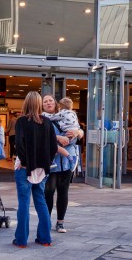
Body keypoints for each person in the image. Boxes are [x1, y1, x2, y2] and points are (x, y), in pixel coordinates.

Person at [13, 91, 59, 248]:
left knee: (24, 202)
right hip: (42, 169)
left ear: (26, 103)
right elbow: (54, 147)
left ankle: (21, 240)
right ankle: (45, 238)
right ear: (39, 104)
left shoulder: (21, 122)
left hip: (24, 169)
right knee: (41, 201)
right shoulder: (47, 122)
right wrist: (46, 162)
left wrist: (25, 162)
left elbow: (19, 144)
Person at [42, 94, 84, 234]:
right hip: (51, 161)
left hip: (68, 160)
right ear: (42, 105)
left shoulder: (67, 115)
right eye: (45, 101)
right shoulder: (41, 119)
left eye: (50, 101)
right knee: (49, 191)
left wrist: (78, 132)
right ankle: (46, 221)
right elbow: (40, 137)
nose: (48, 103)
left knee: (63, 191)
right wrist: (58, 137)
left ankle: (60, 222)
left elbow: (81, 130)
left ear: (55, 103)